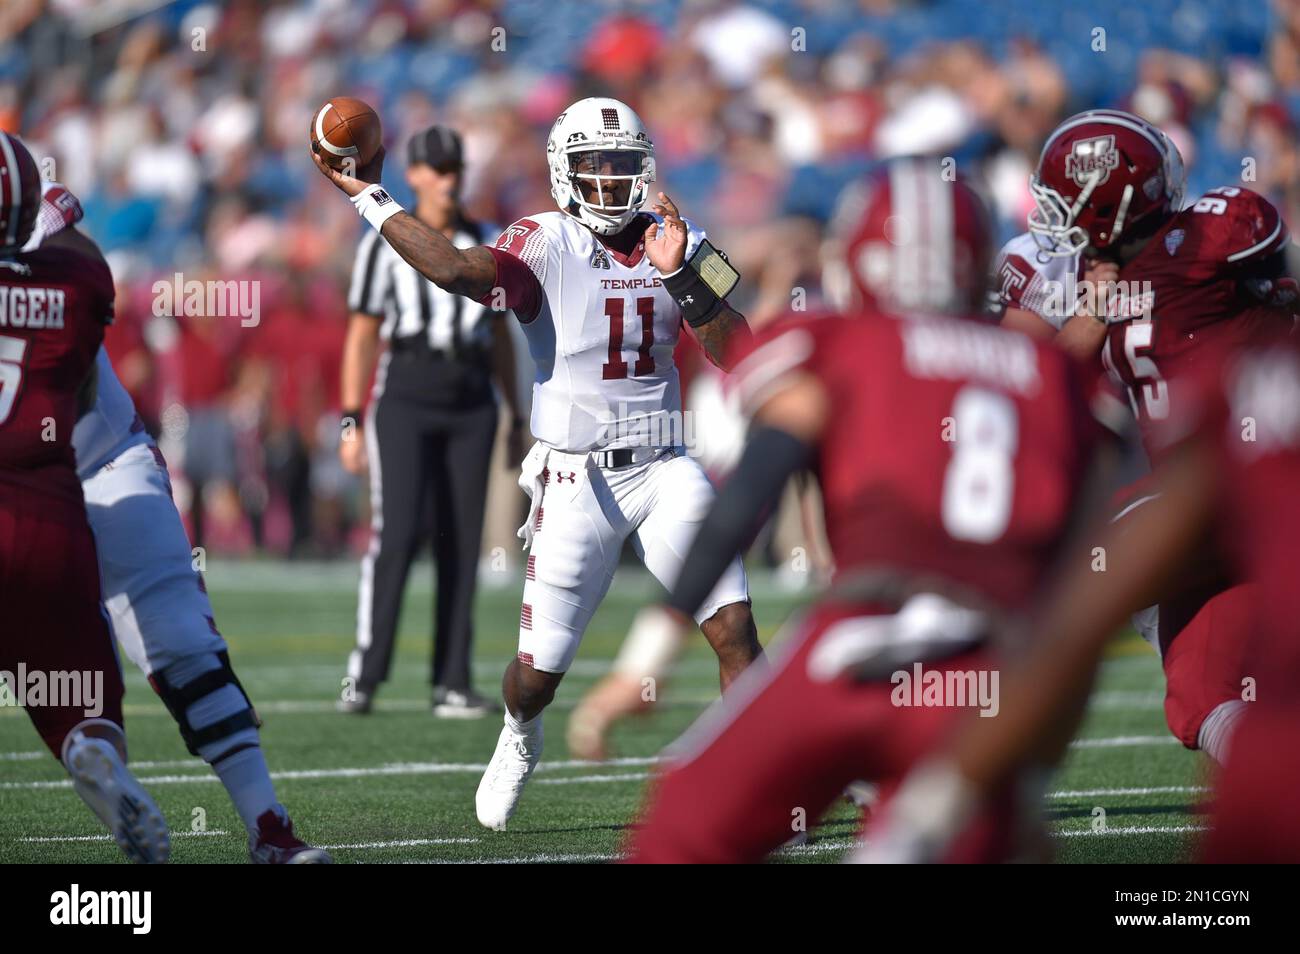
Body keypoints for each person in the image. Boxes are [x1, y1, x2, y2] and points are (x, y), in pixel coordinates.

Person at [574, 159, 1104, 863]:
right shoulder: (1056, 379)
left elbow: (751, 488)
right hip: (985, 680)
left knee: (676, 838)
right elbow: (1088, 599)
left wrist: (647, 658)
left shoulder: (842, 342)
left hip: (854, 646)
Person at [313, 96, 761, 831]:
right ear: (563, 171)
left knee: (734, 628)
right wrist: (369, 195)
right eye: (596, 166)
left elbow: (741, 352)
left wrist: (682, 274)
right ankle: (520, 734)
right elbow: (457, 270)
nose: (612, 180)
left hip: (665, 467)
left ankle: (759, 781)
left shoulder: (678, 237)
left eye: (623, 164)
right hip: (577, 477)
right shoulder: (545, 239)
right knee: (534, 680)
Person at [30, 179, 330, 863]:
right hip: (85, 463)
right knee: (156, 641)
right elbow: (88, 281)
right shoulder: (49, 246)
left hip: (67, 470)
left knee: (107, 651)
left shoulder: (41, 230)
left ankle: (105, 757)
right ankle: (265, 825)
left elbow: (85, 271)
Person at [1023, 108, 1296, 764]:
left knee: (1046, 571)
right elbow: (1040, 385)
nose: (1051, 217)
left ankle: (913, 751)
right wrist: (1097, 308)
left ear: (1105, 205)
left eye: (1062, 201)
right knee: (1202, 696)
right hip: (1207, 512)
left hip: (1244, 479)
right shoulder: (1105, 281)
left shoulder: (1205, 241)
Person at [0, 131, 169, 863]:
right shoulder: (75, 284)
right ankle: (89, 747)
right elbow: (85, 379)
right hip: (49, 510)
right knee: (76, 691)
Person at [338, 125, 523, 718]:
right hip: (407, 393)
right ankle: (365, 674)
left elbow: (500, 333)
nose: (448, 179)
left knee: (462, 540)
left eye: (455, 168)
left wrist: (516, 413)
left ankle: (452, 681)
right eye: (437, 168)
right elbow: (362, 334)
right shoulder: (382, 242)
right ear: (413, 174)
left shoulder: (486, 240)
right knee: (396, 535)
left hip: (471, 395)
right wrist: (349, 420)